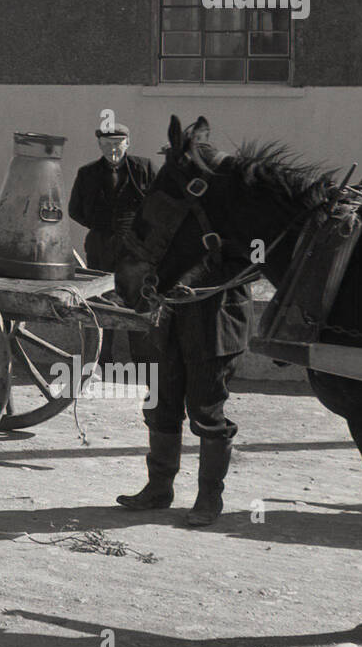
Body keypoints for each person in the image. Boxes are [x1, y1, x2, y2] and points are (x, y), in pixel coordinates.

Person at [115, 267, 251, 527]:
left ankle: (209, 497)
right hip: (168, 320)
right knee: (160, 404)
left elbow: (253, 263)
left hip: (216, 320)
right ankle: (159, 488)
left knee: (206, 411)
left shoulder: (241, 228)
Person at [67, 124, 154, 273]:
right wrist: (98, 224)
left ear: (127, 143)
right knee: (99, 286)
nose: (112, 148)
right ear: (99, 145)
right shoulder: (87, 173)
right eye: (106, 144)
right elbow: (74, 210)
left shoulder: (144, 168)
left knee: (134, 287)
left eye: (117, 143)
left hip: (135, 242)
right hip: (100, 243)